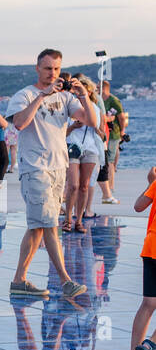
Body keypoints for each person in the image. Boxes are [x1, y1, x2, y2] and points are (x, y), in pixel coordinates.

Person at [6, 49, 94, 305]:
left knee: (37, 227)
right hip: (34, 168)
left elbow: (90, 120)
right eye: (47, 68)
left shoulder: (66, 97)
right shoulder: (25, 95)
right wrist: (42, 96)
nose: (53, 73)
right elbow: (20, 123)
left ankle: (19, 282)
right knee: (49, 225)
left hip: (58, 169)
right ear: (37, 68)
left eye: (56, 69)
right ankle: (66, 281)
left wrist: (84, 96)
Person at [63, 75, 104, 233]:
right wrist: (73, 126)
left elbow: (100, 131)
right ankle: (68, 219)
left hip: (90, 148)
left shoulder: (95, 108)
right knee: (73, 185)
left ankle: (79, 220)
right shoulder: (70, 106)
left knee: (85, 186)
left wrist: (93, 125)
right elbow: (62, 133)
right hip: (72, 145)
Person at [125, 167, 156, 350]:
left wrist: (151, 183)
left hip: (151, 246)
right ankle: (151, 344)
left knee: (148, 303)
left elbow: (138, 206)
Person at [99, 79, 126, 206]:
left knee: (109, 160)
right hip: (105, 133)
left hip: (113, 133)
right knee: (108, 160)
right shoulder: (100, 100)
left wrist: (122, 132)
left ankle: (110, 186)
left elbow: (121, 117)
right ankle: (108, 186)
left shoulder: (113, 100)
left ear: (104, 88)